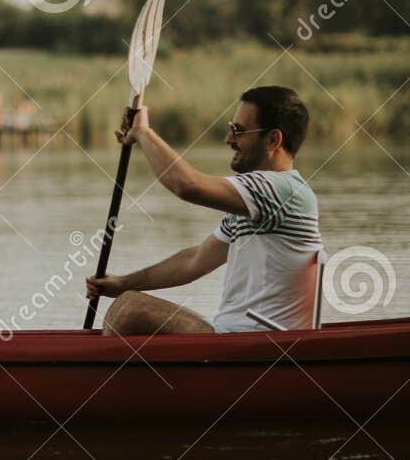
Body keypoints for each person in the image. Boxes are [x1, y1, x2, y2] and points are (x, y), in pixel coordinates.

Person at [84, 86, 324, 335]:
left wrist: (143, 132)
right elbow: (194, 260)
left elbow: (187, 186)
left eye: (238, 131)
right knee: (126, 302)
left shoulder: (284, 189)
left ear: (274, 140)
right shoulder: (253, 204)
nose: (229, 140)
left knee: (130, 308)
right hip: (230, 338)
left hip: (259, 345)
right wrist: (121, 283)